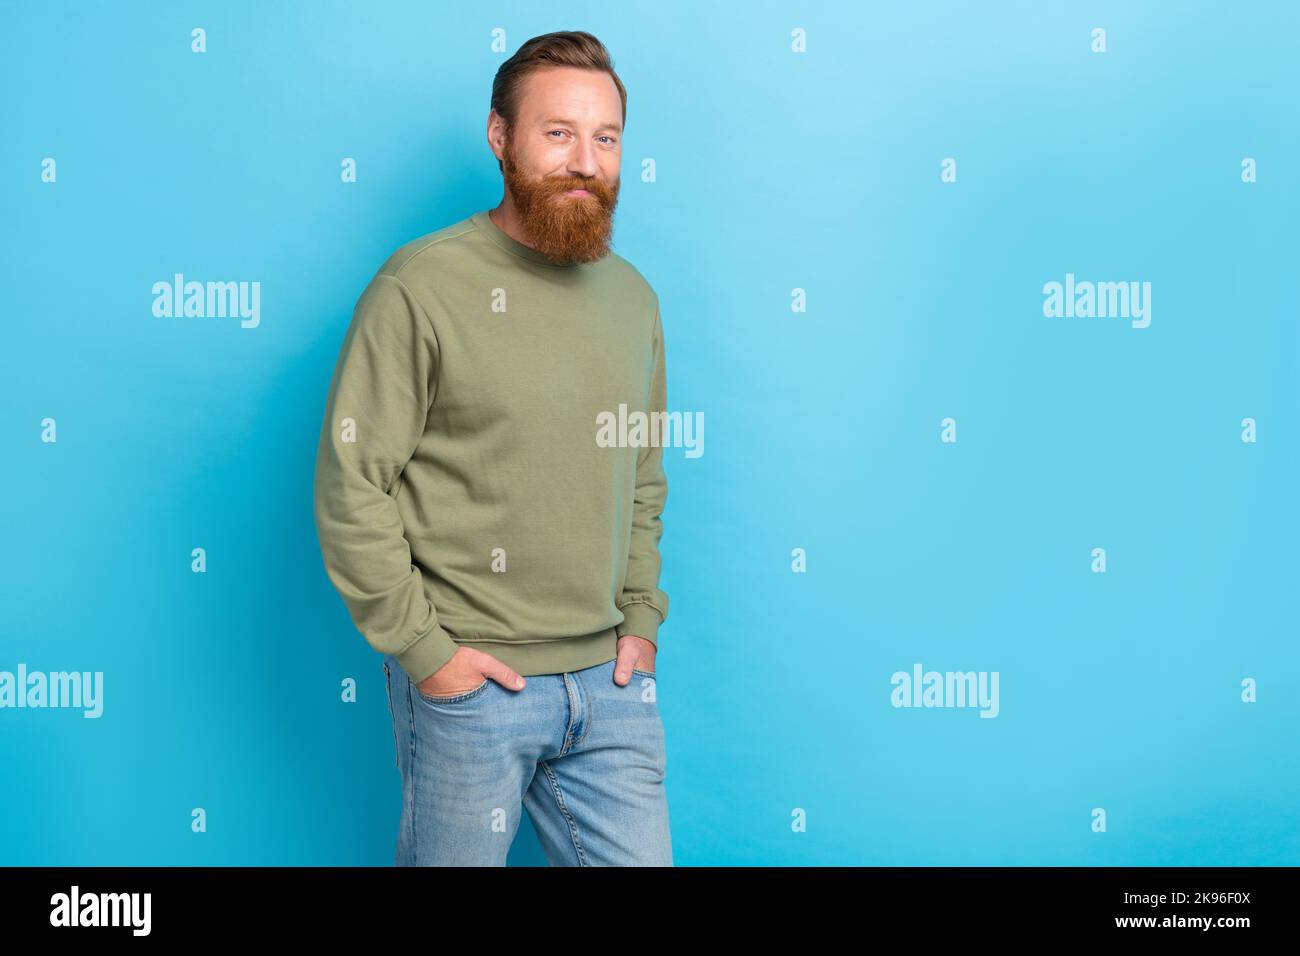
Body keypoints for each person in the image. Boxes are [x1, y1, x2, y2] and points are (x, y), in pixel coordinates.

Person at [312, 30, 672, 866]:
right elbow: (351, 484)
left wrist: (642, 623)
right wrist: (426, 656)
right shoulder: (421, 286)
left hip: (610, 690)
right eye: (557, 132)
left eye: (606, 138)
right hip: (473, 689)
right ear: (500, 137)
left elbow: (643, 477)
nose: (585, 160)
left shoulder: (633, 300)